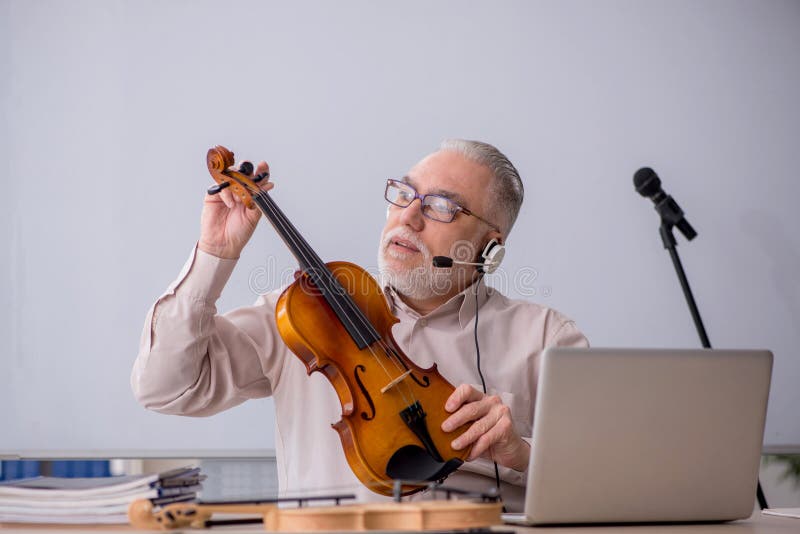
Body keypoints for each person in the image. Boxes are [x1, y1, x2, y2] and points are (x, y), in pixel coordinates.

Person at [131, 139, 588, 511]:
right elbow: (164, 388)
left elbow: (605, 486)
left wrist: (522, 453)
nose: (408, 216)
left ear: (490, 247)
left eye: (442, 206)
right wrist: (215, 252)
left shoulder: (547, 339)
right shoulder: (304, 316)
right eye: (405, 194)